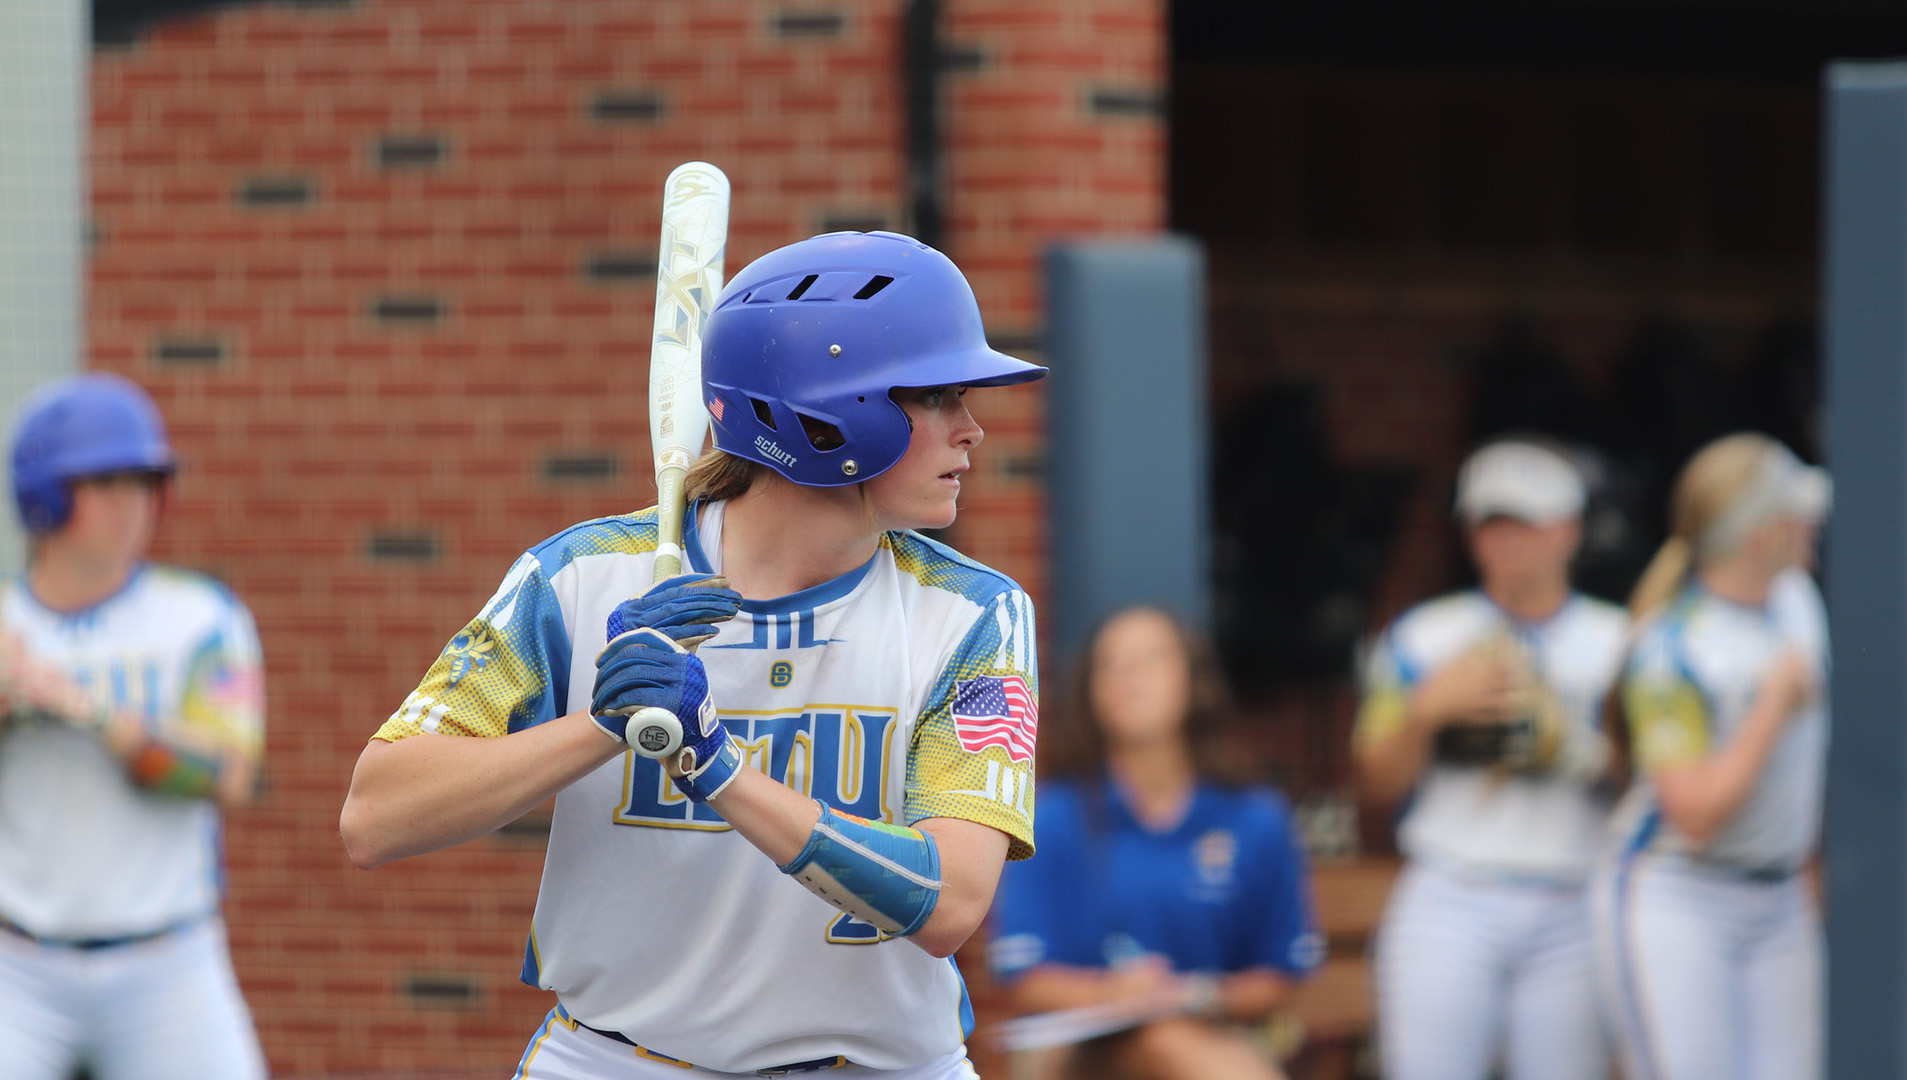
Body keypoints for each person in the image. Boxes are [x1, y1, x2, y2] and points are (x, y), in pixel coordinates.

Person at [339, 230, 1046, 1079]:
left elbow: (947, 901)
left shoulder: (973, 614)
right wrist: (607, 723)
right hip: (619, 1060)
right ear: (828, 413)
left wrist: (717, 769)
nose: (972, 431)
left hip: (878, 1066)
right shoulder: (583, 577)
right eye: (937, 397)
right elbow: (375, 817)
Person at [0, 373, 268, 1079]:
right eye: (108, 483)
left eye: (146, 481)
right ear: (46, 496)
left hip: (167, 961)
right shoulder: (3, 628)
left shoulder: (203, 618)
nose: (134, 503)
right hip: (17, 964)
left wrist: (86, 711)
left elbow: (227, 776)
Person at [1353, 439, 1628, 1080]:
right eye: (1491, 523)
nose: (1507, 541)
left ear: (1569, 530)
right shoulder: (1424, 634)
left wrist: (1576, 749)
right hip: (1453, 888)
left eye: (1525, 523)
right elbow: (1373, 779)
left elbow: (1656, 784)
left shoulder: (1619, 638)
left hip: (1574, 896)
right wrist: (1427, 709)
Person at [989, 606, 1323, 1080]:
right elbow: (1023, 977)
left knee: (1167, 1036)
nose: (1129, 677)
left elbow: (1281, 973)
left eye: (1149, 658)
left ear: (1194, 680)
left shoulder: (1256, 817)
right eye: (1110, 665)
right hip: (1074, 1053)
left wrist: (1194, 996)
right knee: (1158, 1037)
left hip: (1212, 1032)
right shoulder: (1049, 818)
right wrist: (1115, 996)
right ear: (1090, 693)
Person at [1595, 433, 1828, 1080]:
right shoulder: (1671, 647)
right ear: (1758, 534)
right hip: (1681, 897)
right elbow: (1693, 814)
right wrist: (1772, 707)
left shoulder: (1798, 601)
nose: (1810, 526)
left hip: (1778, 898)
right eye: (1793, 515)